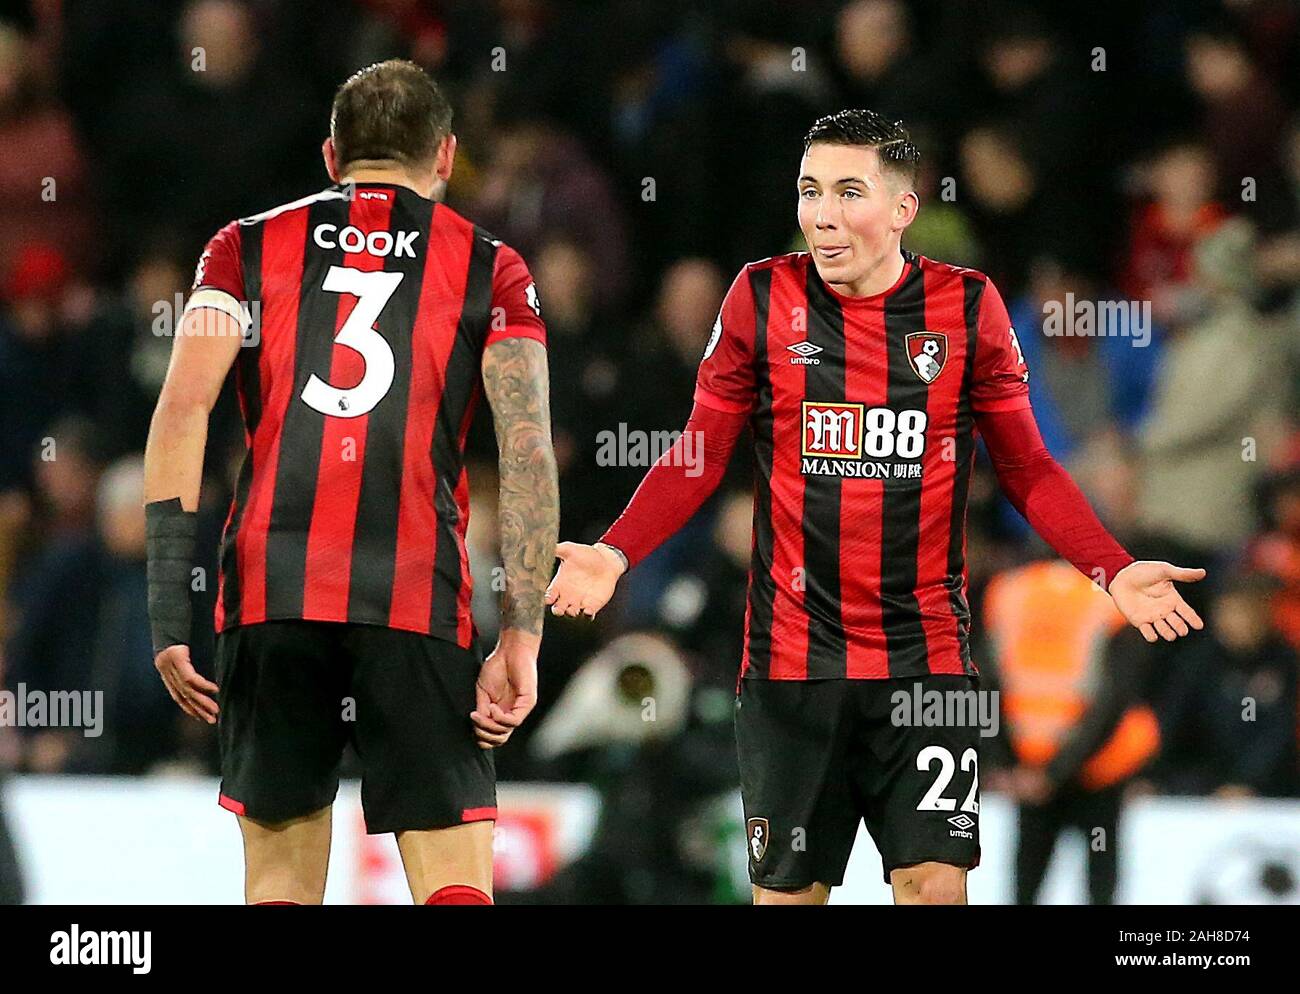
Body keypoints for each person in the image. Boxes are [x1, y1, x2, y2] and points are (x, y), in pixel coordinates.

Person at [546, 109, 1205, 906]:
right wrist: (615, 551)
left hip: (924, 669)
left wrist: (1114, 566)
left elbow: (1028, 468)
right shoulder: (760, 298)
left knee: (934, 890)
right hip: (793, 671)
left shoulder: (966, 308)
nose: (822, 214)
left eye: (847, 192)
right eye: (809, 191)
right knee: (791, 899)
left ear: (902, 209)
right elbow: (700, 452)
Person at [143, 60, 558, 906]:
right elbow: (527, 455)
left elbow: (183, 411)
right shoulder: (493, 266)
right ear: (445, 157)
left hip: (272, 591)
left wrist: (163, 605)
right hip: (415, 590)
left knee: (282, 879)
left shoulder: (242, 246)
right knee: (451, 872)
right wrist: (522, 634)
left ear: (331, 155)